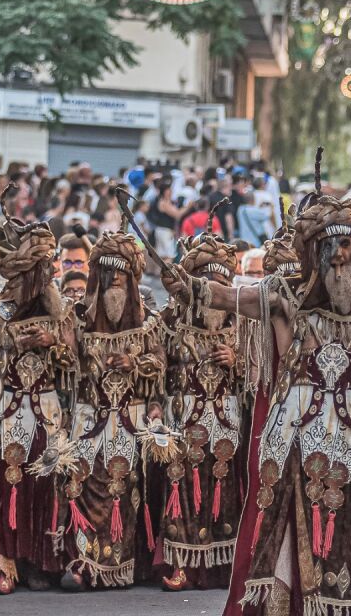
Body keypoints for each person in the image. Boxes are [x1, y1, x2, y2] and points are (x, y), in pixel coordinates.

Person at [166, 161, 351, 616]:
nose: (340, 258)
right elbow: (219, 296)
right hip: (295, 438)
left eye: (348, 249)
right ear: (311, 252)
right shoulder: (280, 297)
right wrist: (184, 287)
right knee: (287, 536)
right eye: (330, 248)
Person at [0, 211, 75, 595]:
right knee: (4, 484)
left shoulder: (59, 310)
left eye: (48, 266)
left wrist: (55, 346)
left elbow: (78, 362)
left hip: (47, 410)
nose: (45, 274)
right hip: (11, 408)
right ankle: (3, 565)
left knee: (46, 486)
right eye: (39, 267)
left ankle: (40, 563)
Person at [58, 232, 166, 590]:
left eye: (122, 274)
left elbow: (160, 368)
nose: (114, 280)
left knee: (127, 493)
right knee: (79, 487)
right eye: (107, 274)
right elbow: (65, 364)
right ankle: (81, 564)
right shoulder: (78, 319)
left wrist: (134, 363)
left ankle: (122, 566)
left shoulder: (149, 322)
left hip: (132, 422)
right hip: (89, 422)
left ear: (133, 280)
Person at [157, 232, 244, 591]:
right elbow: (156, 368)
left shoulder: (244, 324)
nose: (215, 290)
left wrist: (236, 362)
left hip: (227, 421)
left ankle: (223, 568)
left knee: (225, 494)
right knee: (181, 489)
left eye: (222, 283)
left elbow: (262, 371)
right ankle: (182, 565)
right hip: (183, 418)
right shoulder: (170, 319)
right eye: (207, 282)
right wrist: (154, 410)